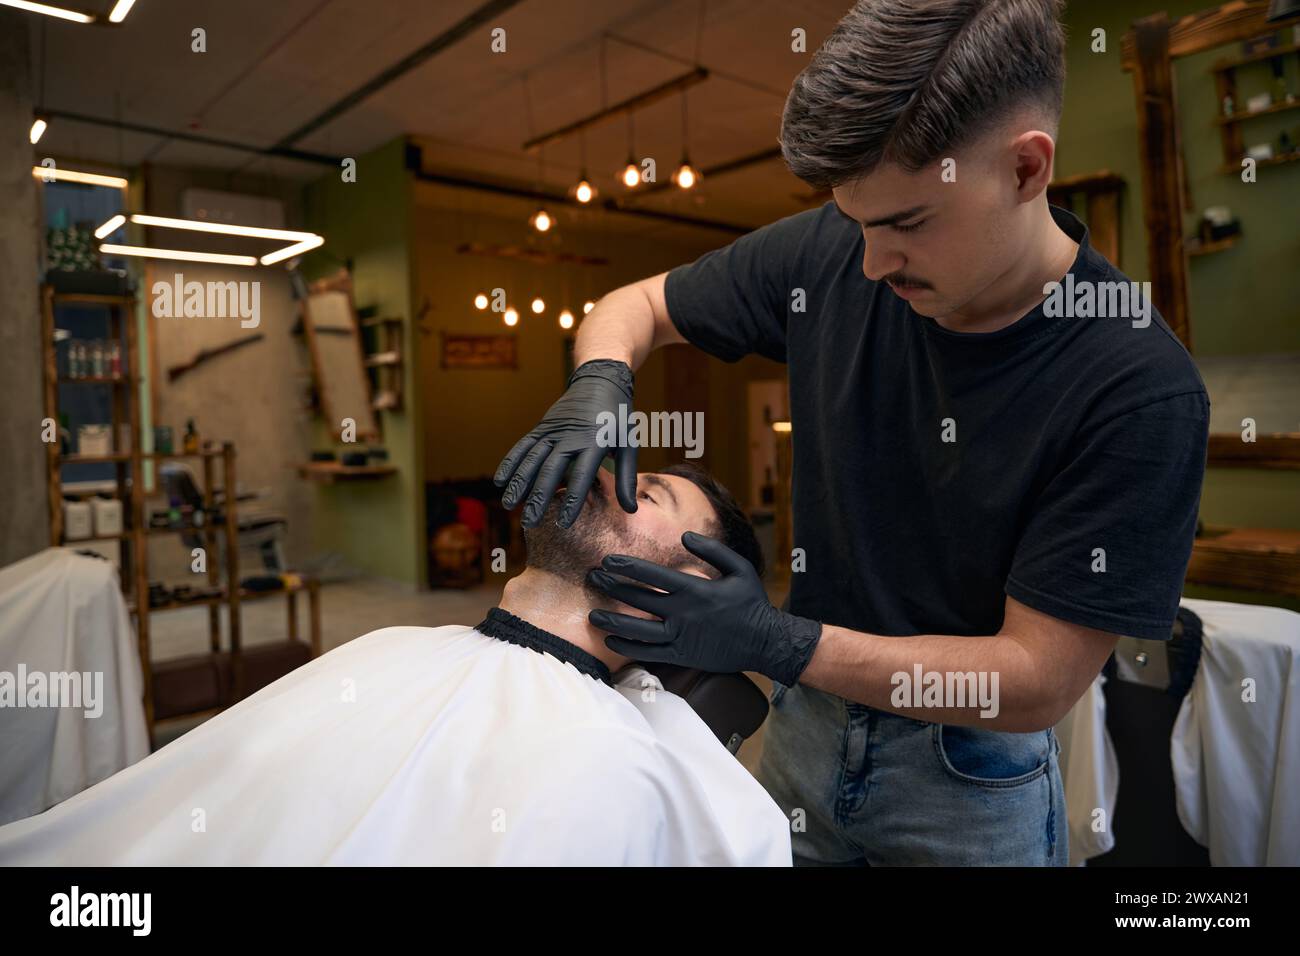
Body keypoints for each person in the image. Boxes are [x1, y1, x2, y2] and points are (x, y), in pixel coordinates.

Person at [493, 0, 1209, 865]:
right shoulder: (836, 251)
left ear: (1026, 169)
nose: (871, 263)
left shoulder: (1137, 389)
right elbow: (635, 304)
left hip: (967, 777)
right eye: (858, 221)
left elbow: (1034, 681)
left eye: (906, 223)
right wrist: (601, 377)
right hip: (798, 734)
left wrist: (775, 641)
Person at [0, 466, 790, 866]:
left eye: (646, 490)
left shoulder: (601, 755)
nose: (609, 473)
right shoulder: (387, 651)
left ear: (694, 587)